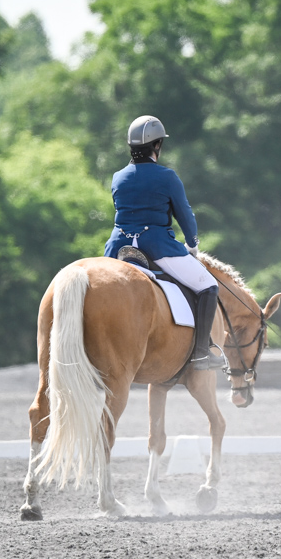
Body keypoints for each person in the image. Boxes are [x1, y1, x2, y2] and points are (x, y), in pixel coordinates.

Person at [104, 115, 226, 371]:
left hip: (117, 248)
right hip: (157, 246)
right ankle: (201, 354)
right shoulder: (167, 176)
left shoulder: (118, 177)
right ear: (157, 145)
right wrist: (192, 245)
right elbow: (185, 215)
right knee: (208, 285)